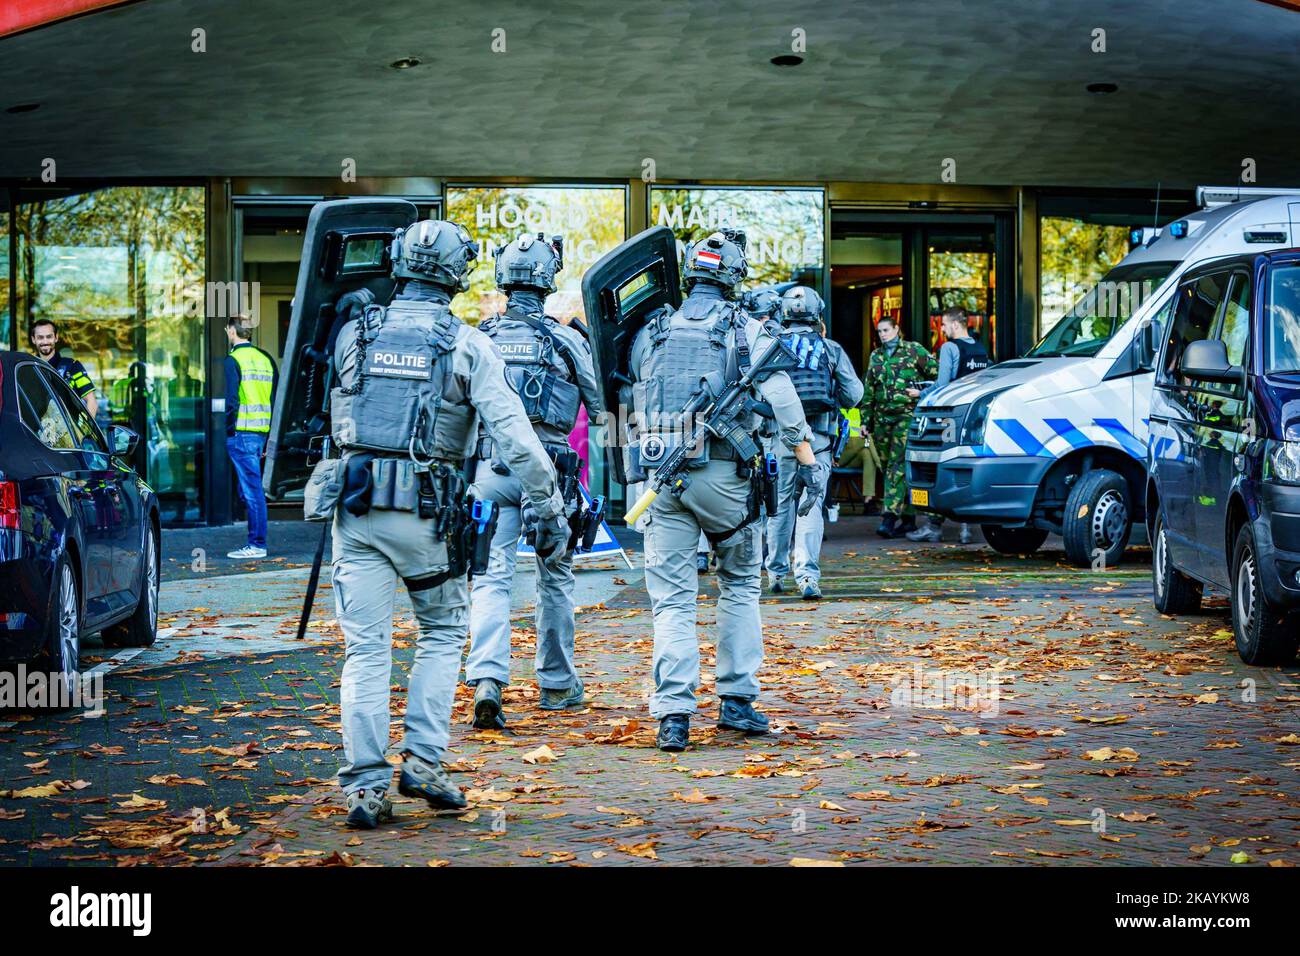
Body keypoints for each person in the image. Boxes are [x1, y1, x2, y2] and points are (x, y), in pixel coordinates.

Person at [323, 218, 566, 829]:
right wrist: (549, 505)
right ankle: (424, 763)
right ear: (457, 276)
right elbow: (515, 438)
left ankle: (364, 786)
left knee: (366, 651)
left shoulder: (356, 331)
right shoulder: (465, 343)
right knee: (439, 632)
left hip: (354, 507)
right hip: (428, 515)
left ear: (400, 262)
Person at [625, 230, 822, 752]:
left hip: (661, 479)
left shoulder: (654, 329)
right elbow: (782, 398)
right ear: (734, 276)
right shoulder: (745, 328)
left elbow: (625, 385)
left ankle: (673, 714)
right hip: (725, 481)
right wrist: (807, 462)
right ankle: (736, 703)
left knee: (671, 600)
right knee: (738, 584)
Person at [464, 232, 604, 728]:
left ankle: (486, 679)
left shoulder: (480, 336)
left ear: (504, 278)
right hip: (550, 473)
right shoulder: (566, 340)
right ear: (549, 280)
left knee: (490, 578)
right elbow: (601, 406)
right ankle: (558, 685)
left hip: (490, 469)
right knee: (555, 577)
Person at [764, 286, 863, 598]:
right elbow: (854, 396)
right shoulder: (829, 349)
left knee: (779, 508)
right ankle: (807, 577)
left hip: (780, 441)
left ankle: (775, 573)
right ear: (817, 313)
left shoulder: (771, 346)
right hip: (817, 442)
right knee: (811, 506)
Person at [906, 307, 990, 544]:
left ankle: (933, 526)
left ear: (954, 324)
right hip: (973, 416)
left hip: (948, 416)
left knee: (933, 468)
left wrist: (920, 392)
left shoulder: (950, 348)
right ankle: (965, 530)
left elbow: (943, 384)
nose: (941, 329)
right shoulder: (980, 348)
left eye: (943, 325)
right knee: (962, 468)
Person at [862, 317, 937, 539]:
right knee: (889, 467)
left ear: (897, 328)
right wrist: (865, 420)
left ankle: (889, 517)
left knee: (896, 465)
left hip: (906, 416)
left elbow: (939, 376)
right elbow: (869, 390)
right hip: (882, 419)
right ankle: (909, 519)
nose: (883, 334)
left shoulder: (914, 350)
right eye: (879, 331)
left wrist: (921, 393)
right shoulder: (876, 356)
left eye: (886, 330)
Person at [223, 315, 278, 560]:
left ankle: (257, 544)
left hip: (243, 434)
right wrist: (268, 436)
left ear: (232, 331)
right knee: (248, 490)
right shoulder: (265, 359)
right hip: (260, 433)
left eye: (227, 330)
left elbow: (232, 401)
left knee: (252, 491)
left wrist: (230, 430)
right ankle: (256, 541)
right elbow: (276, 400)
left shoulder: (233, 359)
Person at [29, 319, 98, 419]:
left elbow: (92, 402)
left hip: (69, 432)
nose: (45, 341)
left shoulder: (73, 366)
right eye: (40, 337)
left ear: (56, 338)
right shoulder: (27, 369)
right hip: (36, 432)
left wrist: (81, 432)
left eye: (49, 337)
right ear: (33, 339)